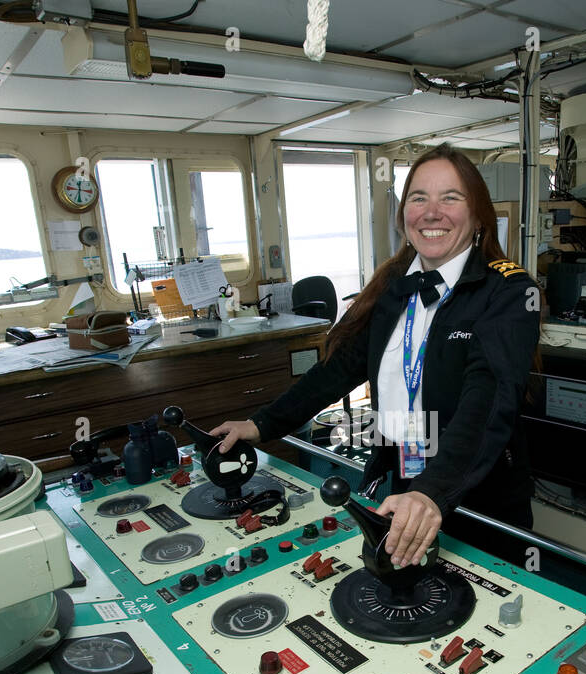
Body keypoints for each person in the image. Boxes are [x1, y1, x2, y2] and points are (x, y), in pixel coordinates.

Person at [211, 143, 541, 570]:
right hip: (407, 480)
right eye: (418, 198)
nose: (431, 211)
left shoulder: (510, 292)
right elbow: (337, 370)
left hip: (479, 492)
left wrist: (432, 491)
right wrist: (261, 423)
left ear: (478, 216)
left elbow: (488, 399)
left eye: (450, 198)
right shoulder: (395, 286)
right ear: (404, 214)